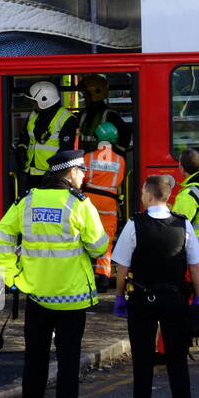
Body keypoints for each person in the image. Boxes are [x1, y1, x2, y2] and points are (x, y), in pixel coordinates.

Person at [0, 148, 110, 398]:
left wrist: (12, 276)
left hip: (37, 296)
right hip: (72, 299)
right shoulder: (80, 204)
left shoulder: (27, 201)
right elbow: (98, 247)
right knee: (69, 365)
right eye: (81, 170)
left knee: (34, 363)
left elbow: (2, 237)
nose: (84, 176)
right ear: (70, 172)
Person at [112, 173, 199, 398]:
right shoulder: (183, 225)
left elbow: (122, 266)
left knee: (142, 363)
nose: (141, 196)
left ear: (149, 194)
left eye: (142, 192)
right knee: (177, 362)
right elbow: (194, 266)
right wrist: (197, 298)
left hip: (142, 299)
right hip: (175, 300)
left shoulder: (134, 224)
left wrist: (119, 296)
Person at [84, 122, 127, 286]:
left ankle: (87, 273)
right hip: (109, 202)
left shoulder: (88, 158)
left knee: (87, 235)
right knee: (106, 238)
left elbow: (82, 178)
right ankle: (103, 276)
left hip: (89, 200)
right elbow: (120, 180)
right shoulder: (120, 160)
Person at [21, 80, 78, 192]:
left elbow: (65, 149)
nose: (33, 105)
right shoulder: (33, 115)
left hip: (51, 175)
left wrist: (54, 171)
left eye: (34, 102)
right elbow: (25, 137)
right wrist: (21, 149)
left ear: (44, 100)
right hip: (30, 172)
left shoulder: (66, 118)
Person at [77, 73, 133, 150]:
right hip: (87, 159)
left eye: (85, 94)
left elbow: (126, 133)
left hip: (101, 160)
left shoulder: (109, 115)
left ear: (95, 93)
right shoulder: (85, 114)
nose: (84, 97)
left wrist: (117, 152)